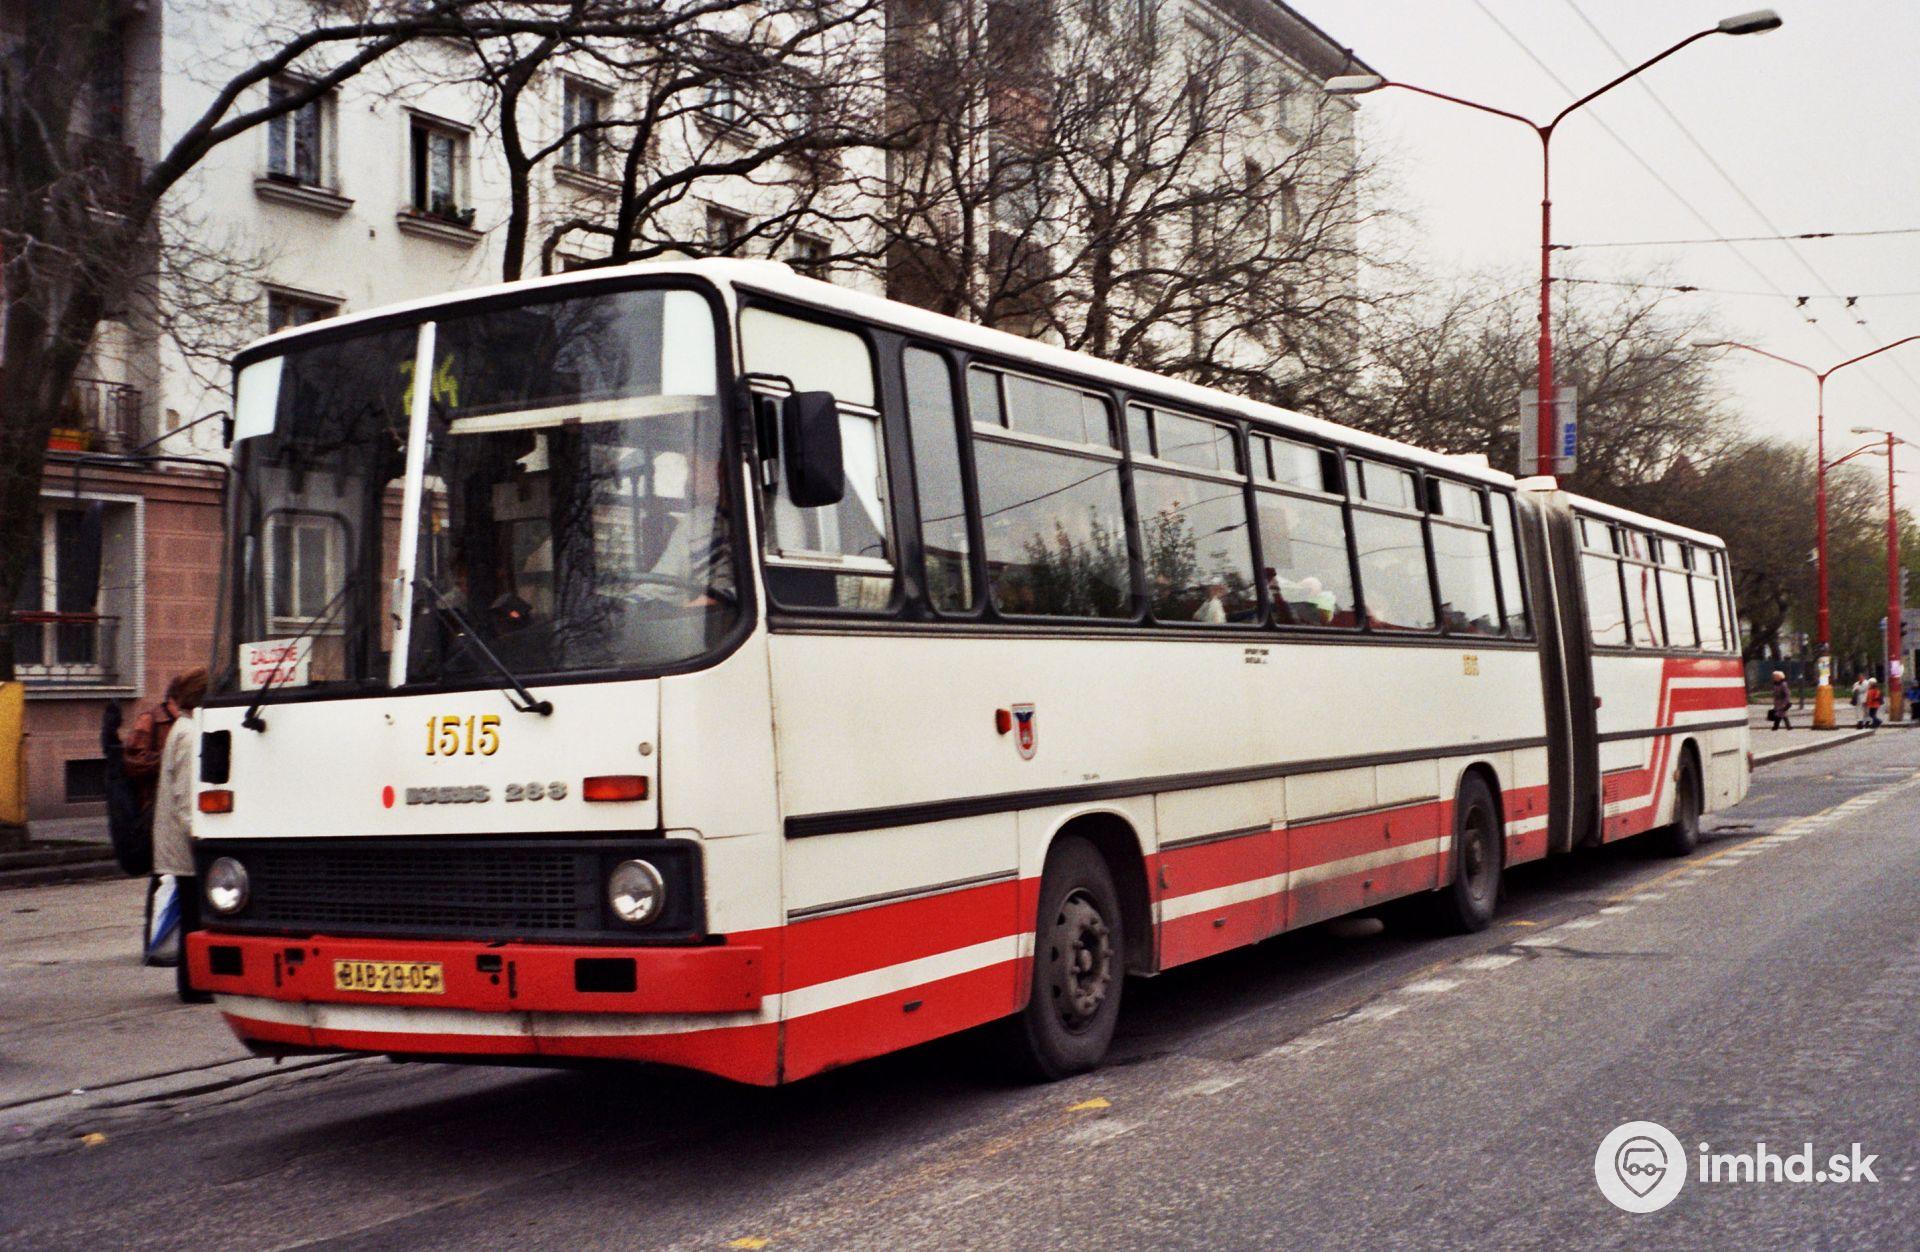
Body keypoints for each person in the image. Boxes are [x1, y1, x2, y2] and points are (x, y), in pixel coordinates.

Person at [151, 701, 209, 1003]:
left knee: (191, 915)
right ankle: (193, 985)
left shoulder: (182, 729)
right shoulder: (189, 733)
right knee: (194, 917)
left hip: (178, 839)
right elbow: (185, 794)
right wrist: (197, 834)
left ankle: (192, 983)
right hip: (185, 843)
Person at [122, 668, 208, 816]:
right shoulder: (150, 720)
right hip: (152, 802)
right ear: (173, 699)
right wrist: (168, 757)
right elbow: (133, 761)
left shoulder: (192, 721)